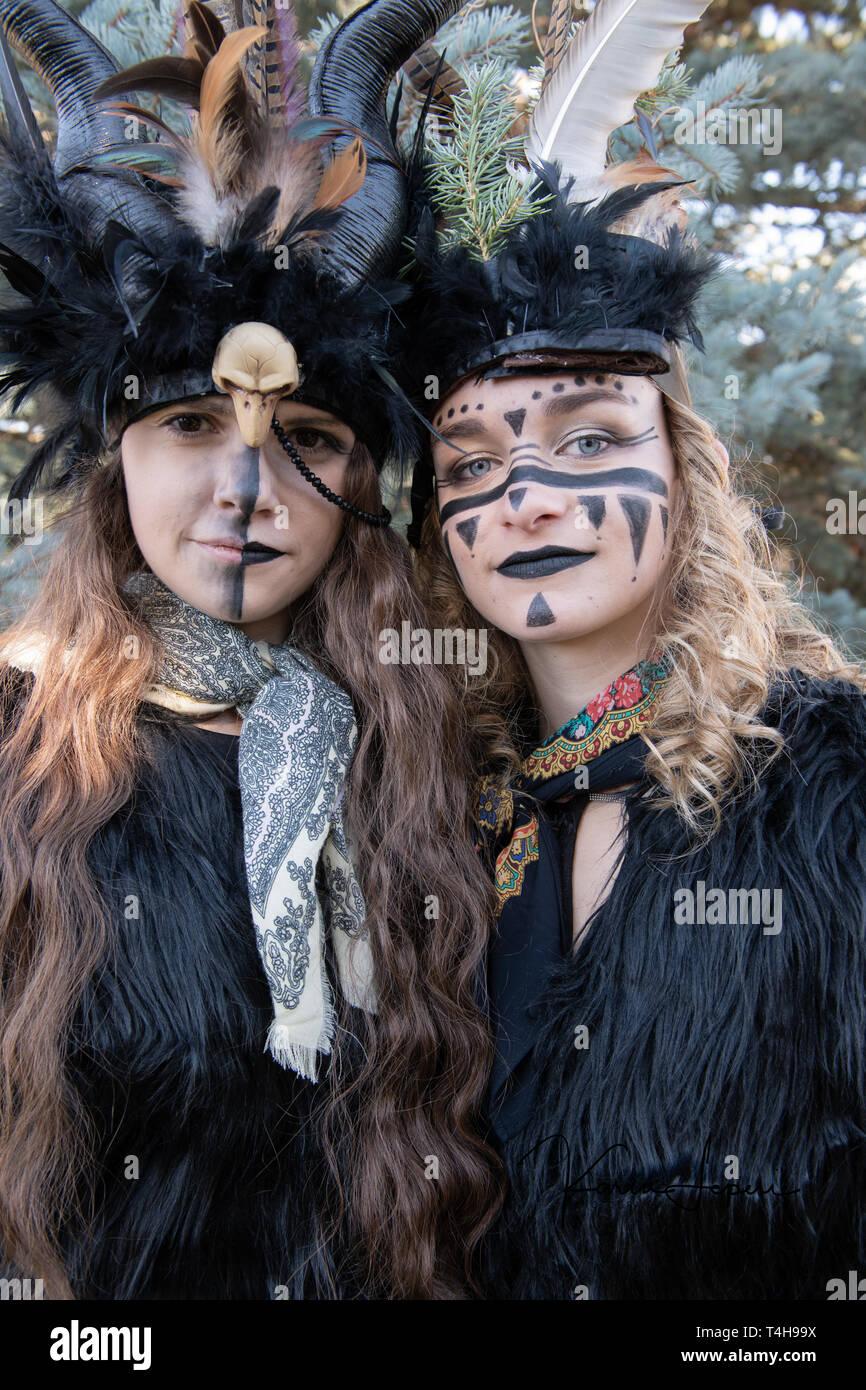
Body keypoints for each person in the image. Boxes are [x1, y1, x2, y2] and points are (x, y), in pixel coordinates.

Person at [0, 0, 499, 1300]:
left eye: (309, 438)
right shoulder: (14, 744)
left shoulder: (441, 753)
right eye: (186, 422)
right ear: (114, 468)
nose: (245, 485)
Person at [403, 0, 866, 1299]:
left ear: (684, 468)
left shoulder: (832, 782)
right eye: (474, 461)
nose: (531, 496)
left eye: (592, 437)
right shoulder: (440, 816)